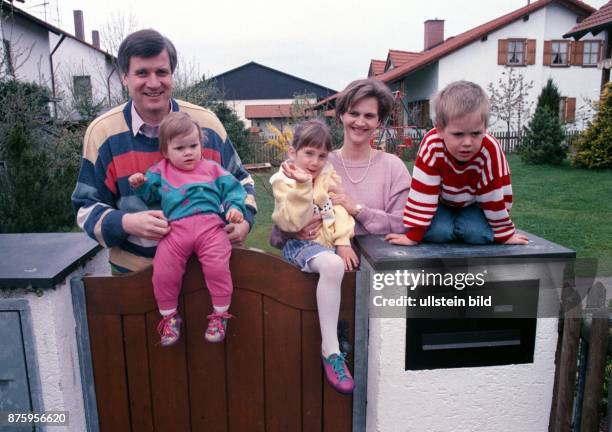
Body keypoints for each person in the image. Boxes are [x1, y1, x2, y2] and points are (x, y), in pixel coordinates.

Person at [72, 29, 256, 274]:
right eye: (141, 73)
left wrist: (245, 222)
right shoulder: (103, 133)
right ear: (124, 77)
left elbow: (242, 182)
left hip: (208, 273)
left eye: (161, 72)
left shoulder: (207, 124)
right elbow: (86, 207)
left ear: (172, 75)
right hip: (136, 276)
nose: (153, 83)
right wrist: (127, 223)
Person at [128, 112, 246, 345]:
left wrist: (235, 209)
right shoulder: (160, 171)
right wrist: (140, 185)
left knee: (217, 267)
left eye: (193, 145)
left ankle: (220, 315)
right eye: (180, 148)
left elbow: (234, 190)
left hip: (211, 228)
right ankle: (169, 318)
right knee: (163, 271)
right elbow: (150, 194)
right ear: (165, 151)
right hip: (175, 231)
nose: (189, 152)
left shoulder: (213, 170)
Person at [271, 78, 412, 262]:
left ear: (379, 121)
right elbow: (276, 233)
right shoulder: (318, 163)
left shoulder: (393, 167)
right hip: (321, 274)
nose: (360, 122)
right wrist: (293, 232)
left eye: (369, 116)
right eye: (354, 113)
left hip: (378, 275)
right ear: (341, 116)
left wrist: (358, 209)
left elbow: (404, 226)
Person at [385, 80, 529, 246]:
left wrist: (504, 235)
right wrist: (413, 236)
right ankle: (450, 225)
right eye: (458, 134)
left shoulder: (489, 149)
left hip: (475, 203)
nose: (467, 142)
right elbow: (423, 192)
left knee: (476, 235)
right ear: (440, 129)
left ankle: (464, 224)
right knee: (439, 233)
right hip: (441, 202)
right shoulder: (432, 146)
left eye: (476, 133)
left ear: (485, 128)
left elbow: (494, 194)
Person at [270, 119, 357, 394]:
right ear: (293, 153)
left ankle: (333, 348)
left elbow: (339, 211)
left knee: (336, 263)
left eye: (322, 155)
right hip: (301, 245)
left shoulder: (329, 180)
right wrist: (304, 186)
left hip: (327, 245)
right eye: (309, 153)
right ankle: (331, 351)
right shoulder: (283, 181)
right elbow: (291, 222)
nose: (315, 161)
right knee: (332, 265)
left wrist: (343, 241)